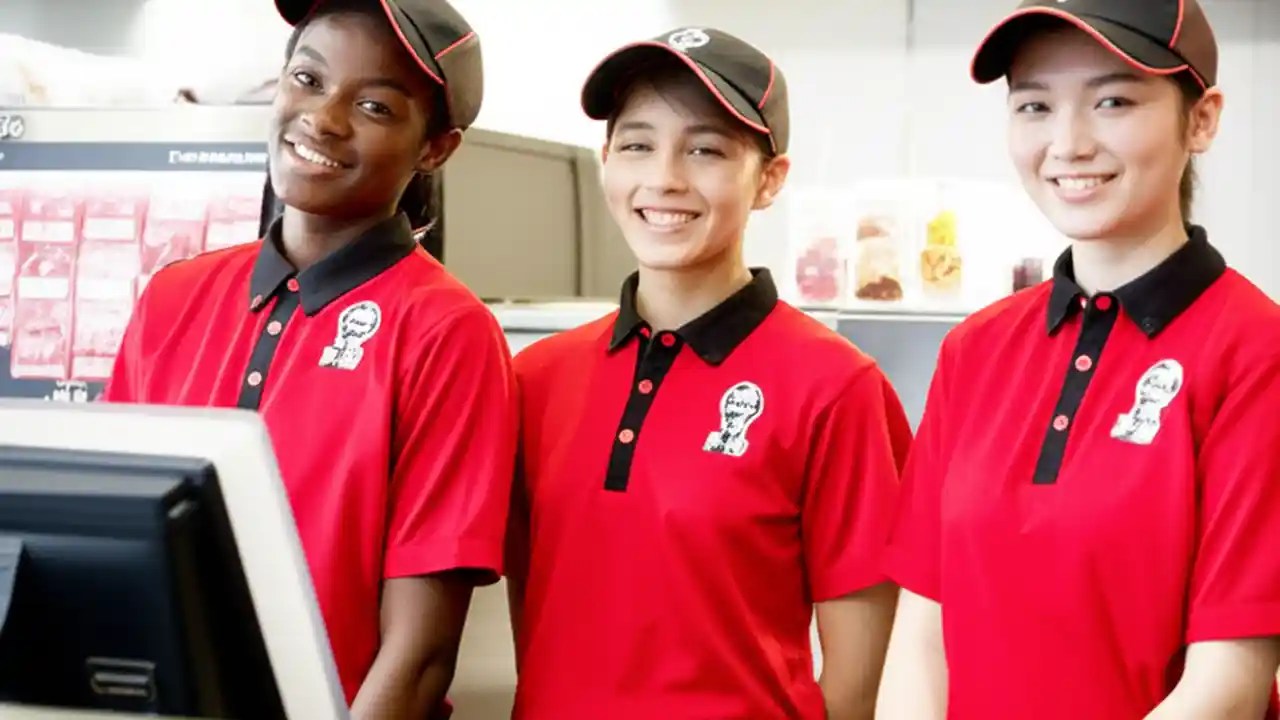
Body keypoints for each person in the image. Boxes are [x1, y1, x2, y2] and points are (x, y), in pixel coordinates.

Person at [103, 0, 516, 717]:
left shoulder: (447, 332)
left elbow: (416, 659)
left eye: (376, 107)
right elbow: (107, 551)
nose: (323, 119)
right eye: (307, 78)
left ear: (436, 149)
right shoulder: (173, 299)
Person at [877, 1, 1280, 718]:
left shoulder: (1256, 354)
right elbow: (922, 631)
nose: (1068, 143)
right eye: (1034, 105)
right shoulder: (973, 350)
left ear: (1202, 119)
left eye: (1113, 101)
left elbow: (1228, 687)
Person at [505, 27, 911, 720]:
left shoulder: (837, 388)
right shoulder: (535, 378)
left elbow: (856, 686)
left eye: (704, 150)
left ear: (769, 180)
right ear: (606, 161)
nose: (664, 177)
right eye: (637, 144)